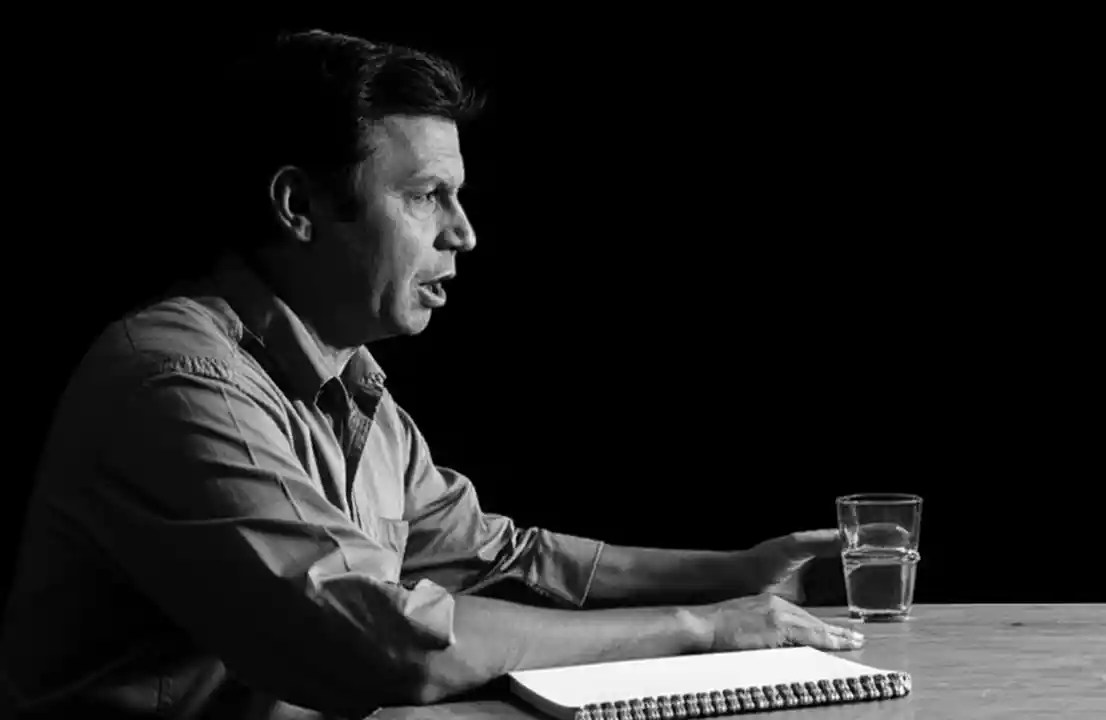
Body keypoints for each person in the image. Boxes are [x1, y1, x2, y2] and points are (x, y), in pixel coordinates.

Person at [0, 29, 863, 719]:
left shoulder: (354, 393)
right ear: (299, 206)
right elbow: (390, 644)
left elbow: (496, 560)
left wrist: (738, 574)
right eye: (424, 196)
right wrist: (700, 628)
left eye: (458, 196)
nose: (464, 234)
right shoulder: (177, 384)